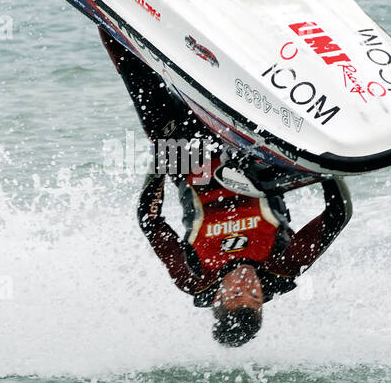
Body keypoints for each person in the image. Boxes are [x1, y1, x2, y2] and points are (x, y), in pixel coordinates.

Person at [100, 28, 352, 346]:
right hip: (250, 153)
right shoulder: (282, 266)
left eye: (236, 293)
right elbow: (336, 215)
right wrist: (327, 165)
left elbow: (150, 222)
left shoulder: (196, 277)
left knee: (134, 68)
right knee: (218, 66)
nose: (246, 284)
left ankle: (103, 0)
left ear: (218, 298)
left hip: (189, 161)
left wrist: (160, 166)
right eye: (254, 295)